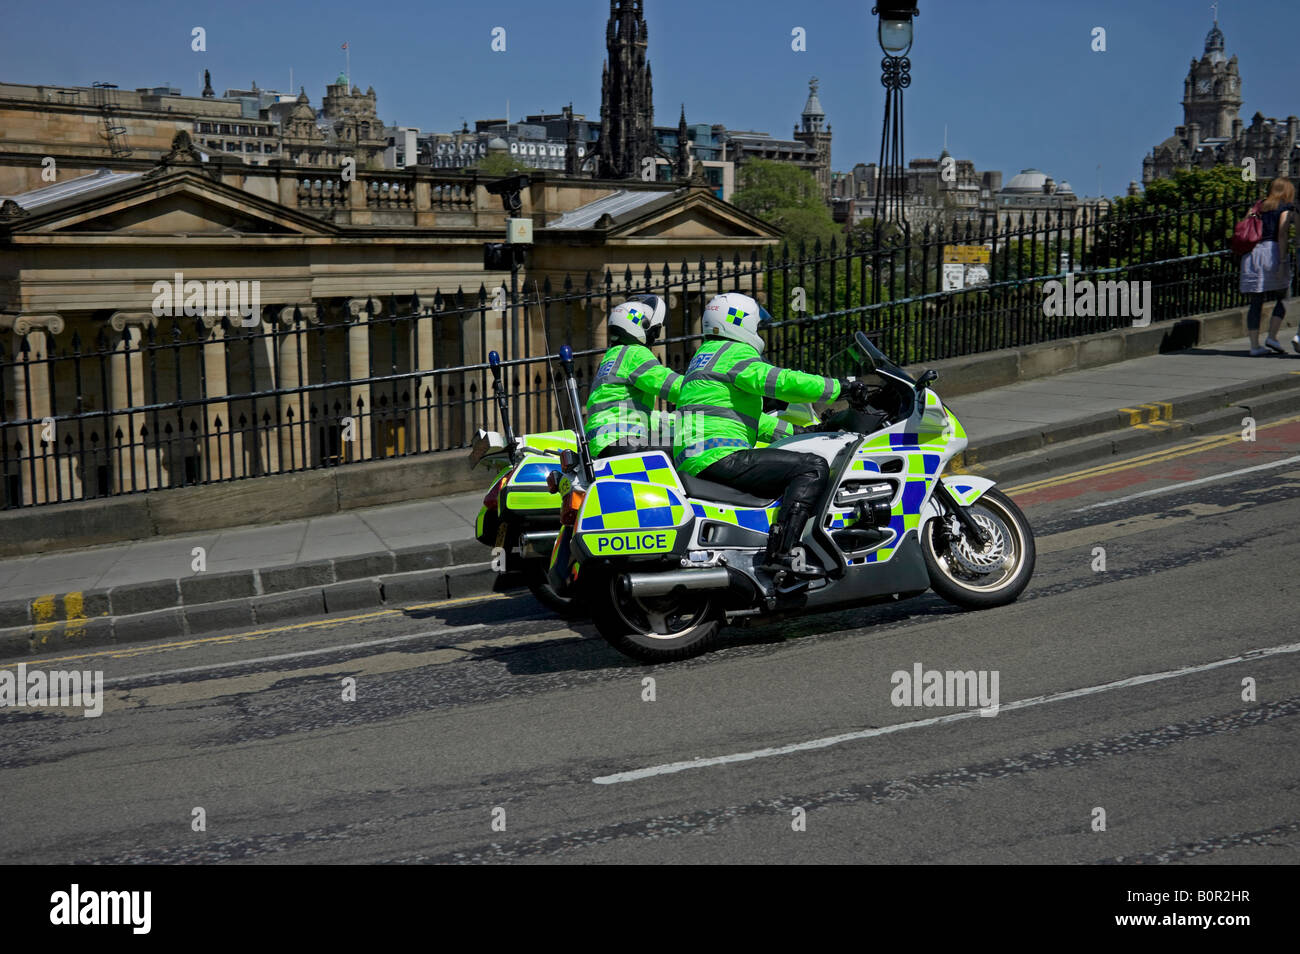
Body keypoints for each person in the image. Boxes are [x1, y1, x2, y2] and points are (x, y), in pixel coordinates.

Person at [674, 292, 864, 578]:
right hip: (720, 455)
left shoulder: (704, 357)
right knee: (811, 467)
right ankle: (783, 553)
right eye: (756, 325)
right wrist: (840, 387)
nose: (758, 332)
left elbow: (747, 420)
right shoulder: (734, 352)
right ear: (740, 323)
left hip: (699, 456)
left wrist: (800, 431)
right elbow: (779, 382)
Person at [584, 294, 682, 458]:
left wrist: (673, 421)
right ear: (642, 326)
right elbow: (672, 386)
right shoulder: (635, 354)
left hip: (602, 442)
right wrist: (708, 388)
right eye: (653, 331)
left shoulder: (611, 358)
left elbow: (628, 413)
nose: (654, 338)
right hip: (622, 441)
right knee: (690, 449)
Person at [1240, 177, 1296, 355]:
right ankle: (1272, 336)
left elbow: (1245, 227)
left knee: (1256, 301)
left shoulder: (1257, 206)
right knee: (1284, 295)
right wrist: (1281, 262)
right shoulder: (1284, 208)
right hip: (1271, 252)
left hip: (1252, 253)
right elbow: (1281, 234)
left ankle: (1254, 346)